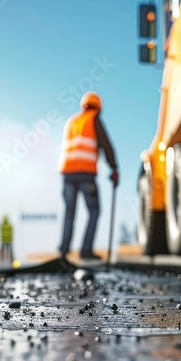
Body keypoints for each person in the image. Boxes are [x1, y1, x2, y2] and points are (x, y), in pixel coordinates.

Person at [58, 91, 118, 260]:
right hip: (85, 174)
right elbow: (106, 145)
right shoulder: (94, 120)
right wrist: (114, 169)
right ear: (98, 107)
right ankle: (86, 251)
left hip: (67, 174)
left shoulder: (72, 121)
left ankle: (63, 252)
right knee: (94, 210)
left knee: (69, 214)